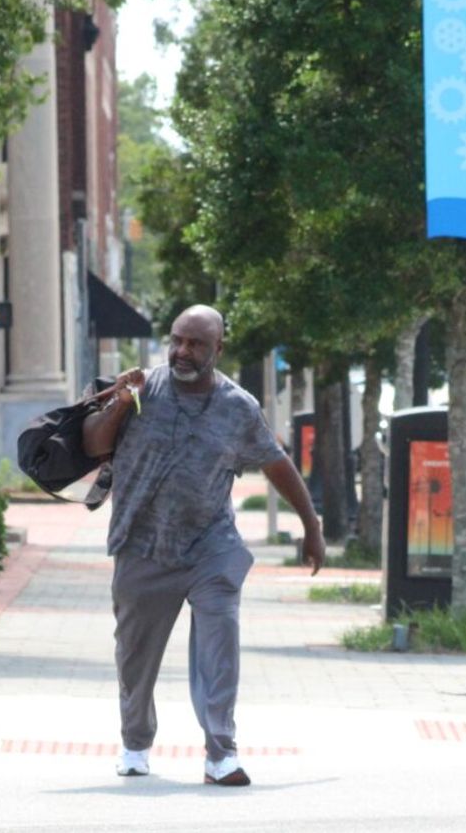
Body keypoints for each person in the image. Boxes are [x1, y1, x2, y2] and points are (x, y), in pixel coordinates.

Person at [82, 304, 326, 787]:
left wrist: (311, 526)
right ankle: (135, 741)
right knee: (136, 656)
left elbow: (277, 465)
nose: (182, 351)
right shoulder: (142, 389)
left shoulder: (239, 408)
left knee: (220, 645)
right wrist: (117, 401)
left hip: (211, 546)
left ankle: (222, 753)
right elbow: (92, 446)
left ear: (219, 348)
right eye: (177, 340)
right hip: (142, 545)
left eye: (195, 343)